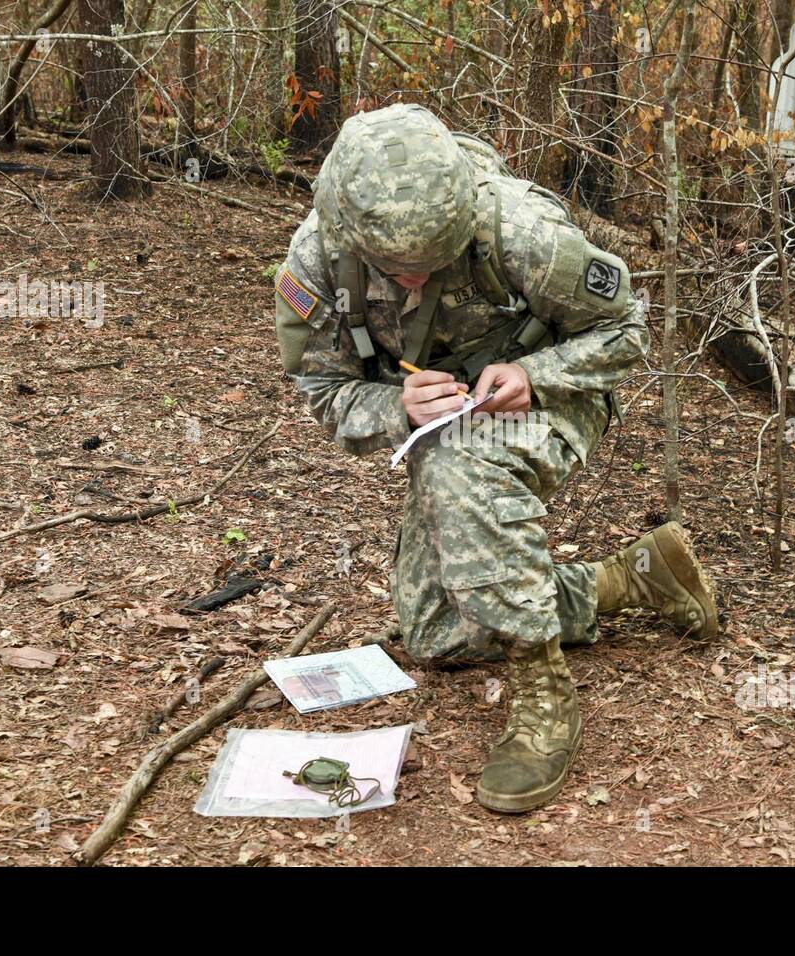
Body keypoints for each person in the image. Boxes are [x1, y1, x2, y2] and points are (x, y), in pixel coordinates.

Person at [273, 103, 719, 813]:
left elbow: (626, 331)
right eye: (397, 267)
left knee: (460, 463)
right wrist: (394, 409)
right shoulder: (318, 262)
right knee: (438, 633)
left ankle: (545, 697)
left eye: (433, 263)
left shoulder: (520, 231)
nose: (414, 281)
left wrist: (534, 377)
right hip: (441, 425)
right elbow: (325, 392)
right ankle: (632, 578)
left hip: (555, 396)